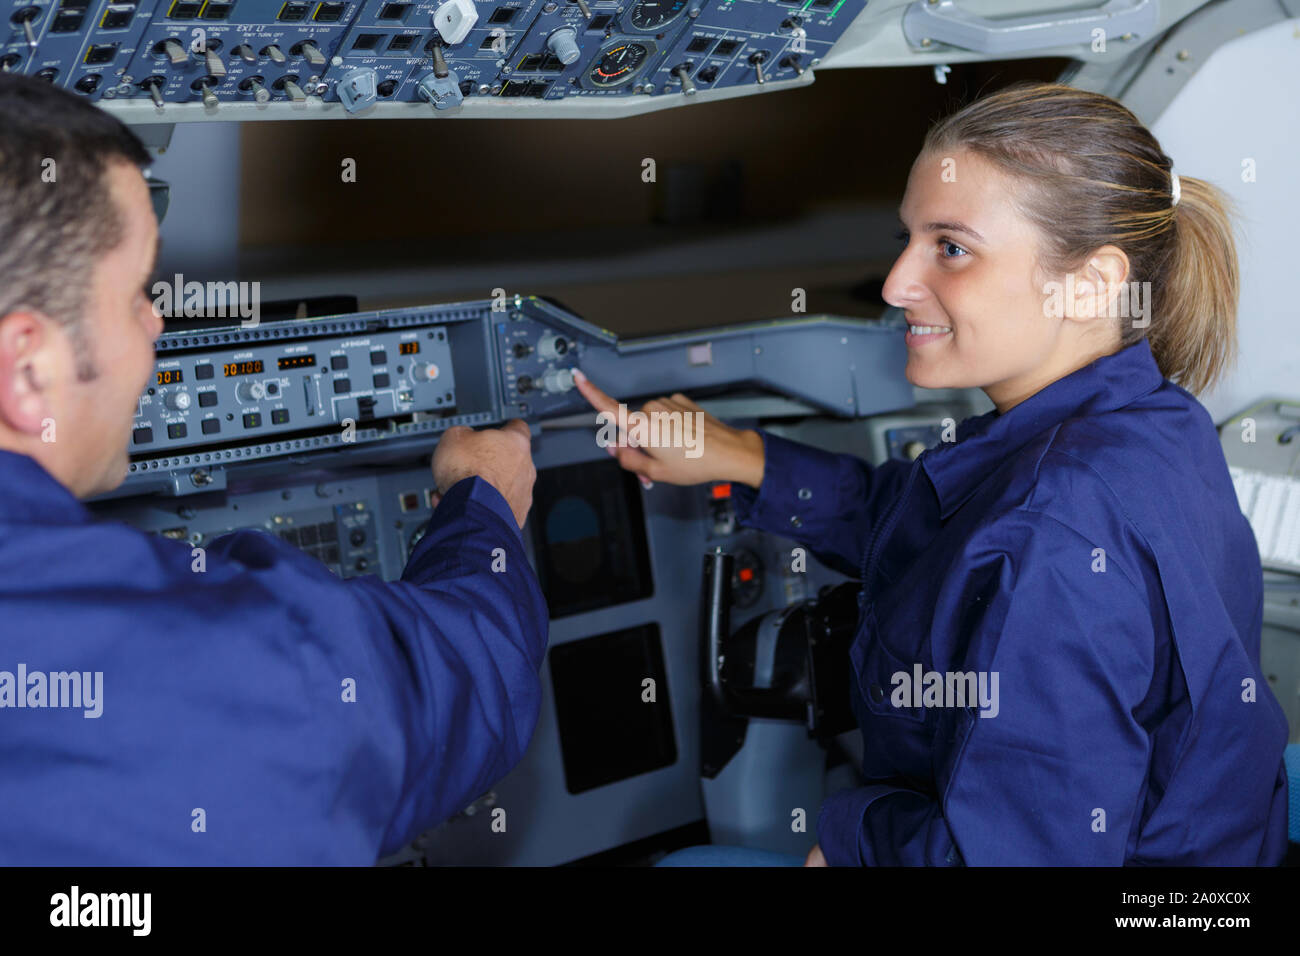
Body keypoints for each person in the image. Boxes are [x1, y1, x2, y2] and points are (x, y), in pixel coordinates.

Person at [578, 81, 1291, 866]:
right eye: (907, 238)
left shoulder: (1055, 531)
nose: (895, 285)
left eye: (950, 248)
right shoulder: (1153, 421)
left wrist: (852, 842)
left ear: (1090, 284)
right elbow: (941, 527)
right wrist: (746, 457)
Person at [0, 73, 547, 864]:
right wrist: (482, 500)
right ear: (26, 373)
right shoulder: (215, 658)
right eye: (135, 298)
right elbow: (463, 680)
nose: (157, 324)